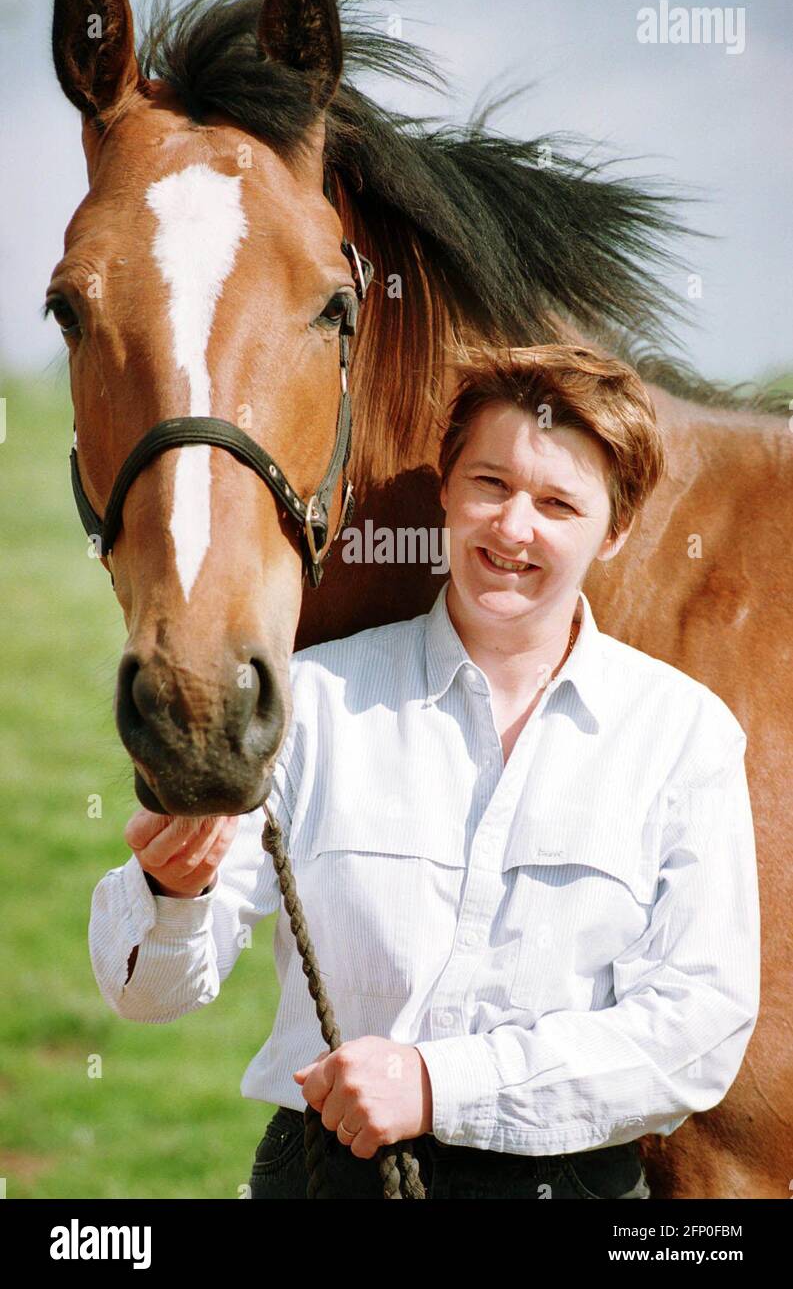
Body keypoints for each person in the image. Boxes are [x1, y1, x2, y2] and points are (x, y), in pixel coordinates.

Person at [88, 344, 761, 1200]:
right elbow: (149, 994)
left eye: (556, 503)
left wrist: (440, 1085)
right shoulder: (317, 701)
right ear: (444, 489)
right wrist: (172, 895)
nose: (512, 527)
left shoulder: (683, 736)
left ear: (615, 527)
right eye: (490, 484)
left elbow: (693, 1032)